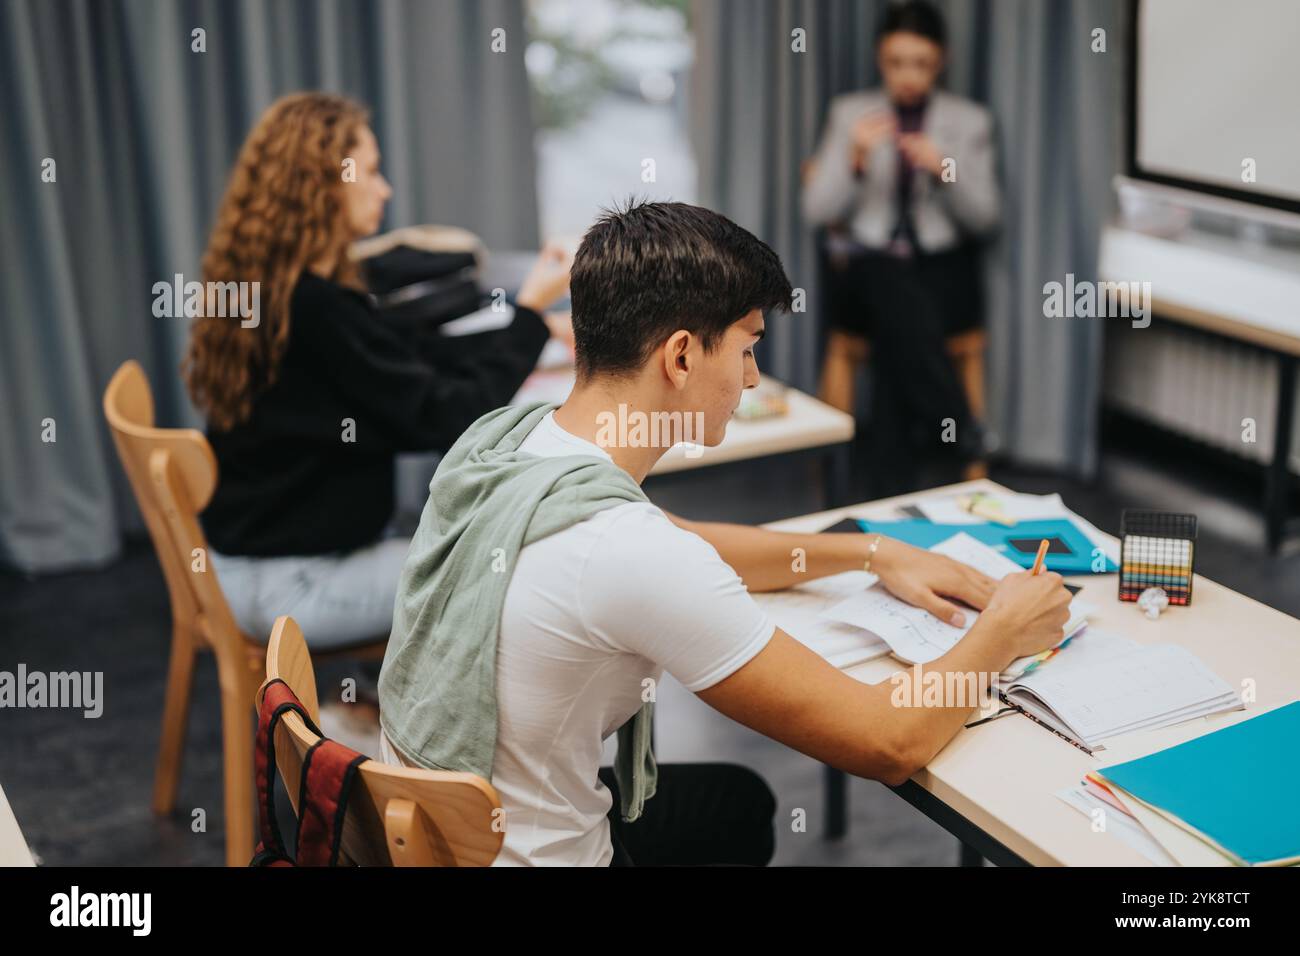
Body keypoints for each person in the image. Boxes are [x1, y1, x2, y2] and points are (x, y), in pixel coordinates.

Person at [377, 200, 1071, 866]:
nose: (752, 377)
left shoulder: (509, 444)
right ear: (680, 358)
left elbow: (682, 538)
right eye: (745, 349)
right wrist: (1001, 630)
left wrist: (873, 551)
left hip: (428, 833)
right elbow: (883, 740)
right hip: (530, 855)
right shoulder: (627, 549)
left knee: (739, 805)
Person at [182, 92, 572, 647]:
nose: (384, 188)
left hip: (251, 560)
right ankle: (429, 728)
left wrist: (531, 331)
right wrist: (531, 313)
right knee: (521, 564)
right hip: (292, 585)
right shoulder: (315, 308)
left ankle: (369, 710)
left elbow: (400, 359)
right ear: (322, 183)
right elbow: (445, 416)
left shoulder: (284, 292)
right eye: (369, 171)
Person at [803, 0, 1001, 491]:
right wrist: (852, 159)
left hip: (940, 272)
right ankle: (959, 432)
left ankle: (882, 487)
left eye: (921, 64)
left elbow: (987, 219)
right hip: (870, 269)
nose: (908, 76)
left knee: (897, 317)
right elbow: (816, 211)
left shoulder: (968, 121)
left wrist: (946, 168)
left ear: (941, 62)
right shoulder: (851, 113)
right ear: (879, 59)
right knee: (885, 280)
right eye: (896, 63)